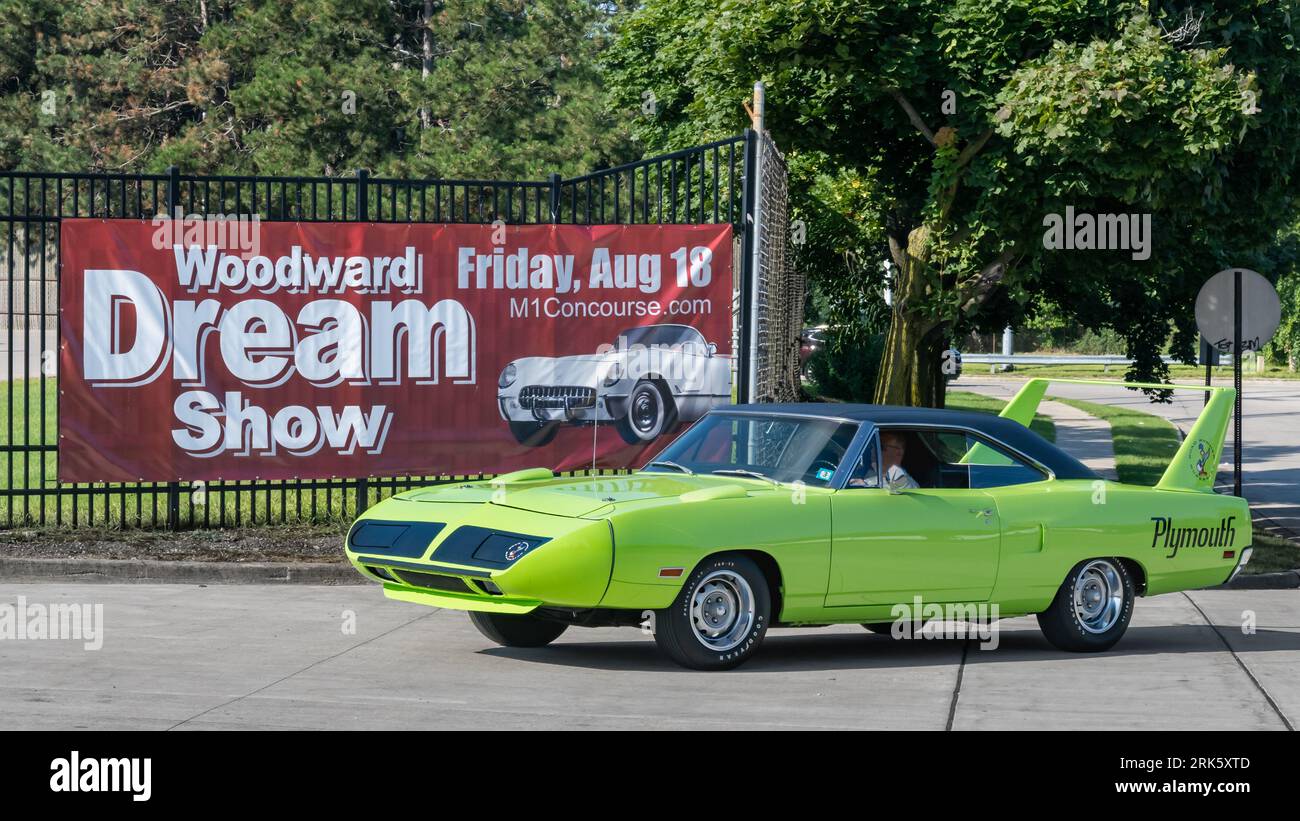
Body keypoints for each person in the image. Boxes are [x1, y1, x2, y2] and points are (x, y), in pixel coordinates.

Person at [849, 430, 920, 489]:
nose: (873, 449)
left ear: (899, 452)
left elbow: (887, 497)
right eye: (873, 445)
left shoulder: (903, 480)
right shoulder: (868, 471)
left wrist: (864, 486)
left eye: (881, 446)